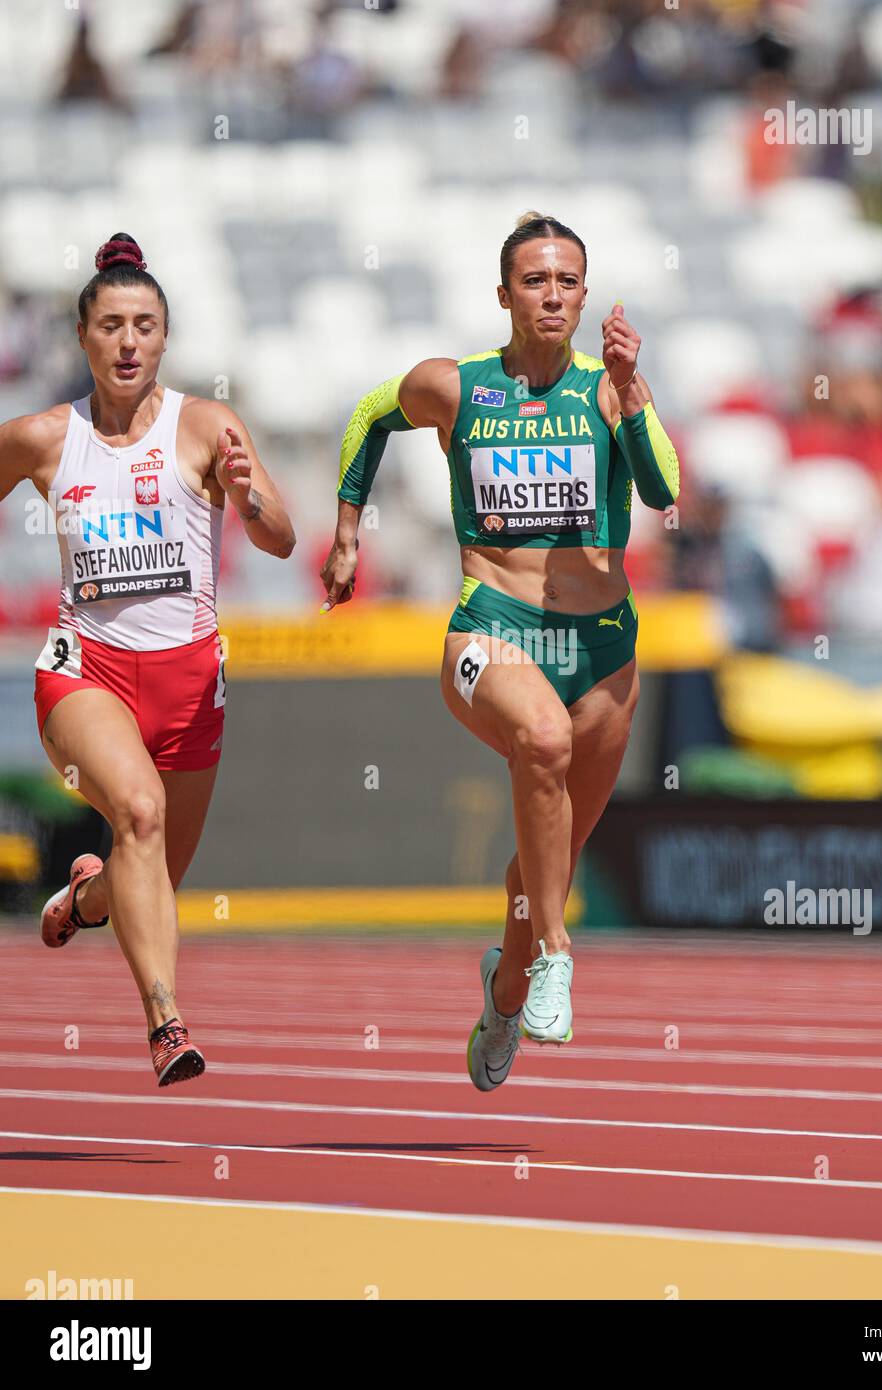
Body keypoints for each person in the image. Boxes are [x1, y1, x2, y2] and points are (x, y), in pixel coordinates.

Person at [321, 212, 679, 1091]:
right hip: (493, 627)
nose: (551, 295)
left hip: (601, 649)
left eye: (566, 281)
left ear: (584, 294)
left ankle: (507, 988)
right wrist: (344, 534)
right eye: (533, 280)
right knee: (542, 744)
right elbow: (372, 413)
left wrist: (631, 394)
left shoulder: (610, 386)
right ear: (504, 293)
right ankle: (557, 953)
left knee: (539, 861)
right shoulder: (460, 386)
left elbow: (665, 490)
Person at [0, 233, 296, 1086]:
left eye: (146, 326)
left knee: (146, 871)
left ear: (165, 339)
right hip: (84, 674)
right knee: (135, 810)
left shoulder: (205, 426)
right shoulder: (44, 439)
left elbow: (278, 541)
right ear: (84, 338)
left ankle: (81, 897)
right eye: (112, 326)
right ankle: (165, 1022)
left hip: (190, 686)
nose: (128, 342)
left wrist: (247, 492)